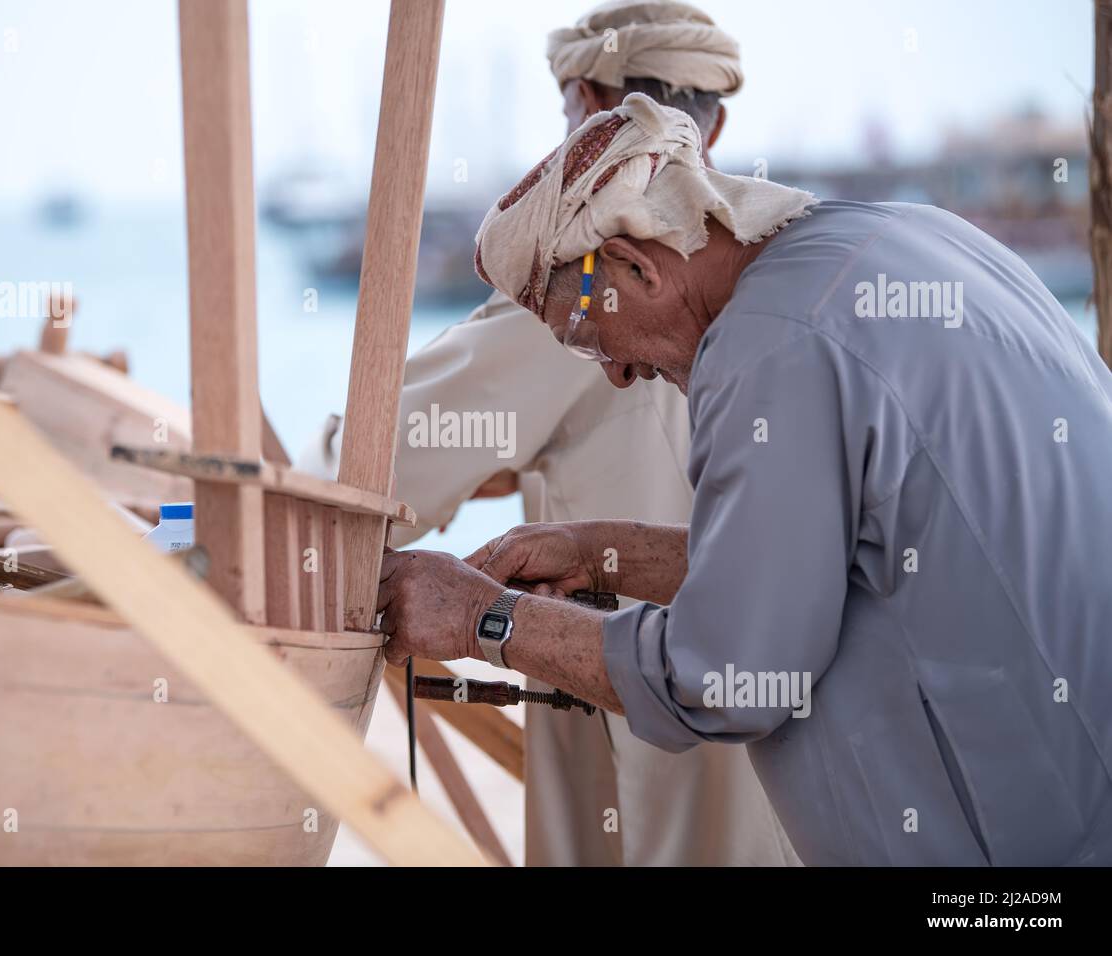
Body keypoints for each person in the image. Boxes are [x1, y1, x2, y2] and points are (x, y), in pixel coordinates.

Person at [376, 94, 1112, 865]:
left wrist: (482, 621)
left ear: (634, 264)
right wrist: (596, 553)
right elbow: (830, 563)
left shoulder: (768, 345)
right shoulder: (911, 238)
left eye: (588, 337)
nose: (620, 375)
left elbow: (730, 680)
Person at [301, 1, 796, 866]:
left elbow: (366, 474)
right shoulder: (774, 252)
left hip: (646, 718)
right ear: (716, 118)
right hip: (789, 745)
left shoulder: (587, 280)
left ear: (594, 102)